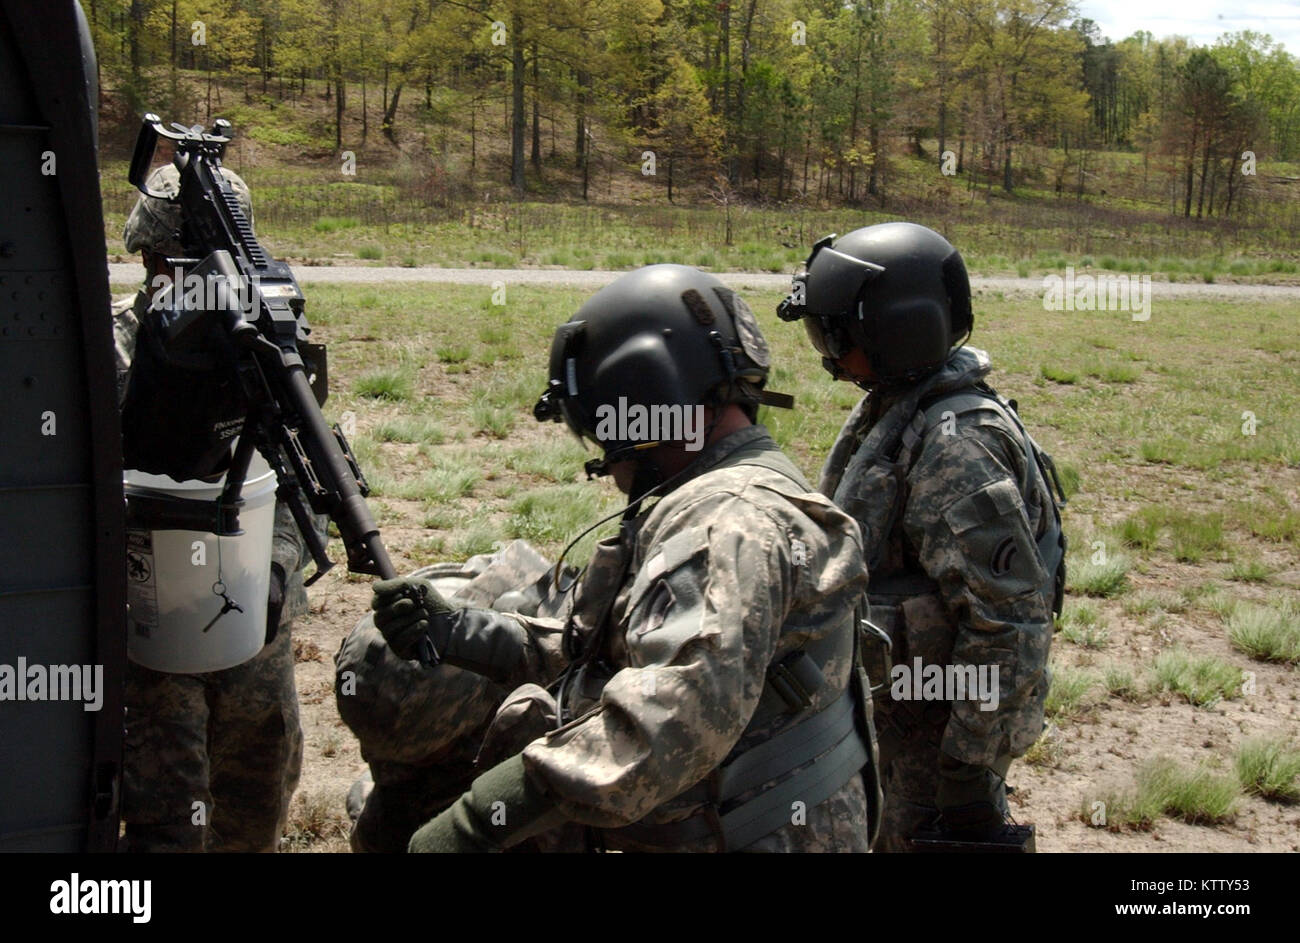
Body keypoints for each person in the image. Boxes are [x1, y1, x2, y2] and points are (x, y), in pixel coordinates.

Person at [371, 264, 881, 852]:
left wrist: (479, 821)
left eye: (599, 432)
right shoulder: (723, 494)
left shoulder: (727, 522)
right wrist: (463, 632)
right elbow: (612, 649)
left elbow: (674, 718)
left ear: (643, 397)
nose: (603, 460)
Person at [777, 222, 1065, 852]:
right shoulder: (901, 407)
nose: (825, 350)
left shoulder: (956, 450)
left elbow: (1011, 623)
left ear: (892, 333)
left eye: (834, 333)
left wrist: (968, 771)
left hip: (937, 736)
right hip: (904, 712)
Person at [114, 163, 311, 852]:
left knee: (258, 793)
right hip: (154, 629)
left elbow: (293, 467)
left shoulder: (264, 344)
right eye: (170, 260)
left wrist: (279, 572)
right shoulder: (114, 347)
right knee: (167, 812)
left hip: (251, 611)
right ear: (147, 257)